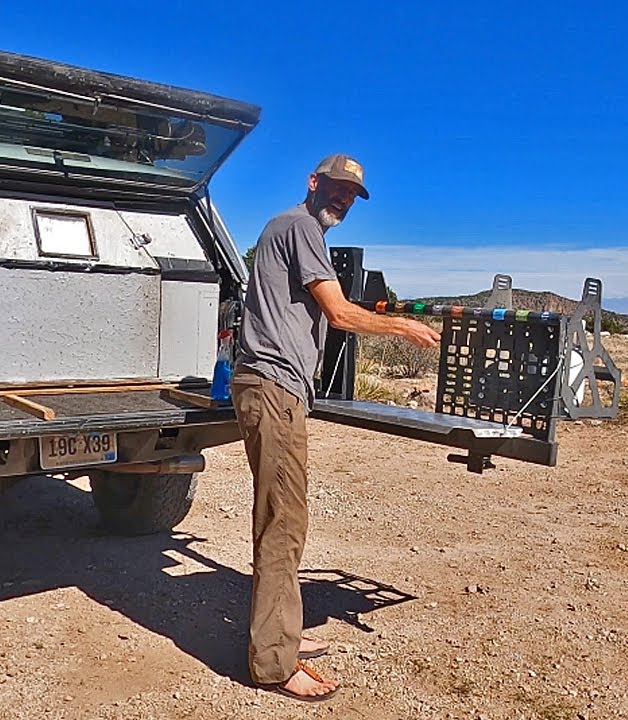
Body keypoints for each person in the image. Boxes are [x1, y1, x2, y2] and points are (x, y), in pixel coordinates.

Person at [231, 154, 441, 702]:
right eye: (337, 187)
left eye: (352, 194)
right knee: (284, 520)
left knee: (286, 515)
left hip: (274, 387)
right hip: (273, 386)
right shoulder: (300, 225)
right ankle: (274, 663)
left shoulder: (288, 230)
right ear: (313, 183)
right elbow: (340, 313)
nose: (343, 199)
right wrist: (401, 327)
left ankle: (283, 638)